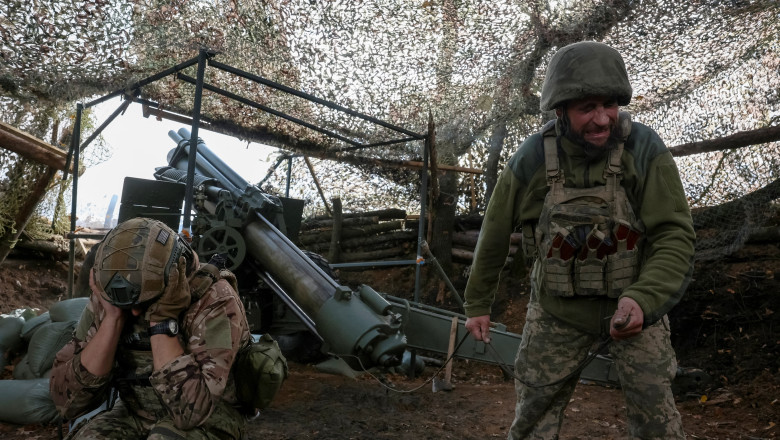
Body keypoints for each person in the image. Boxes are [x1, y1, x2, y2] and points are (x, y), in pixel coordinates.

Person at [464, 41, 695, 439]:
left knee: (657, 422)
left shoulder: (644, 148)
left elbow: (674, 234)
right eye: (587, 108)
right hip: (557, 312)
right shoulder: (533, 157)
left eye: (610, 105)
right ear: (561, 111)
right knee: (533, 417)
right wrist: (478, 304)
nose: (602, 119)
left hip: (634, 310)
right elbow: (495, 231)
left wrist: (643, 300)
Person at [50, 217, 252, 439]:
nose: (135, 313)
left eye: (143, 303)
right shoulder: (113, 294)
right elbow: (66, 402)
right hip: (136, 413)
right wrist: (113, 318)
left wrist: (162, 320)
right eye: (130, 305)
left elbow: (191, 413)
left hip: (212, 419)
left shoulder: (215, 298)